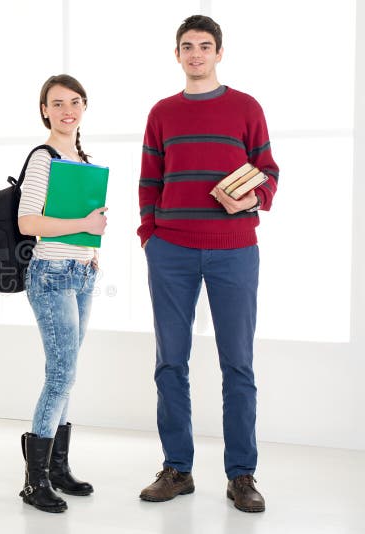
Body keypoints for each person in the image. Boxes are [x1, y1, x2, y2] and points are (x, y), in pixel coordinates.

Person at [137, 15, 279, 513]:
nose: (195, 54)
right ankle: (178, 468)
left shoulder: (246, 107)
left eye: (204, 45)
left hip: (235, 250)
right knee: (170, 361)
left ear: (219, 52)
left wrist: (253, 198)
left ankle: (241, 475)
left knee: (237, 363)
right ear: (176, 55)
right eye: (186, 46)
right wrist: (149, 236)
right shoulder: (161, 113)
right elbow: (149, 182)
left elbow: (268, 173)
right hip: (171, 252)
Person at [16, 74, 108, 513]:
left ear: (84, 106)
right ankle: (34, 482)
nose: (67, 110)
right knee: (61, 374)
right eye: (58, 103)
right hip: (50, 273)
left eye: (75, 102)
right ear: (44, 110)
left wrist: (90, 249)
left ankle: (57, 468)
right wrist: (85, 228)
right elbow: (28, 223)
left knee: (67, 372)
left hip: (81, 271)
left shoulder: (82, 158)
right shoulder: (43, 158)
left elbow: (81, 223)